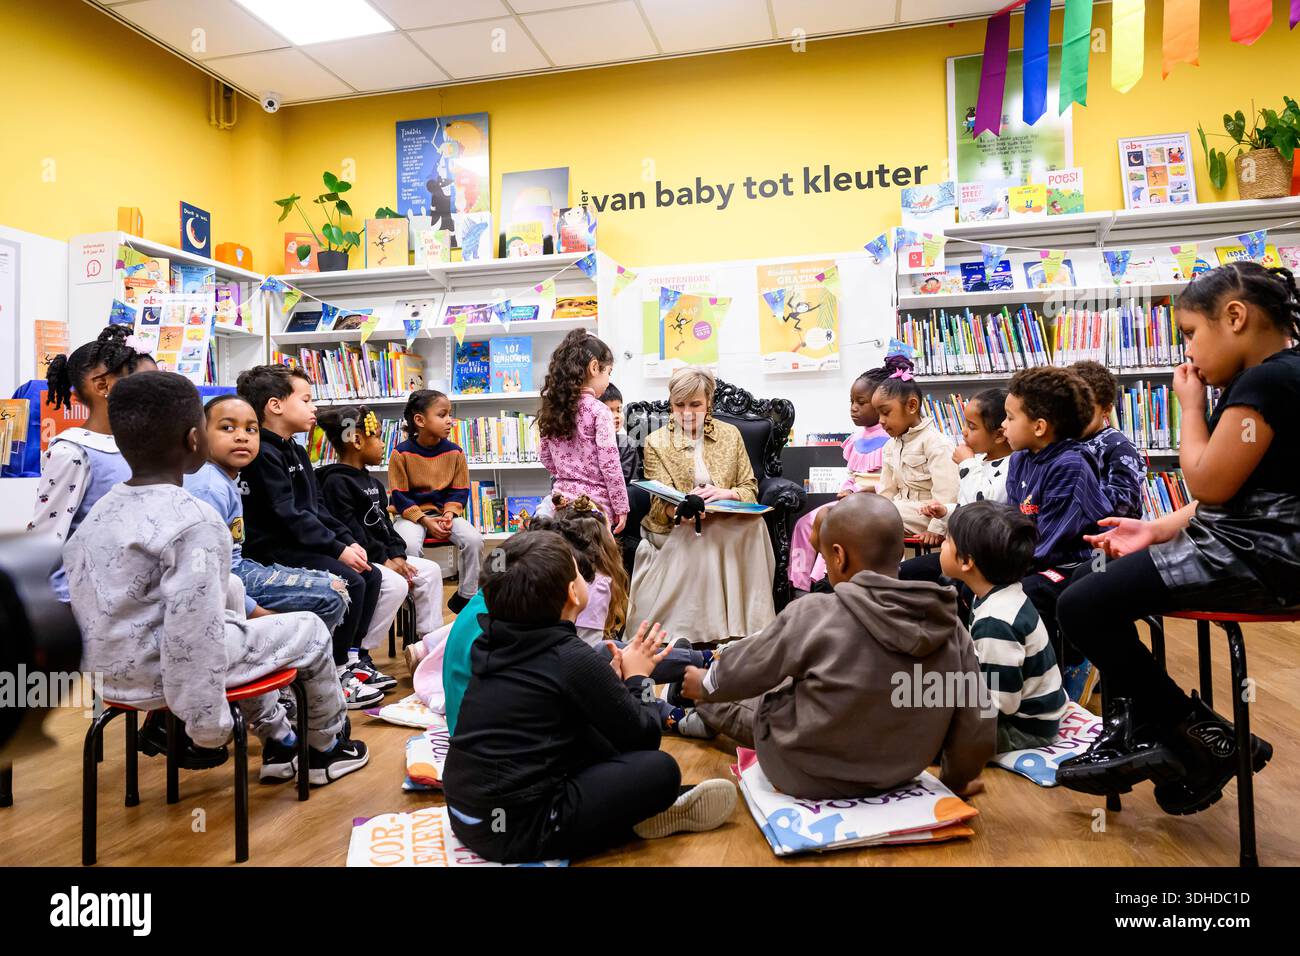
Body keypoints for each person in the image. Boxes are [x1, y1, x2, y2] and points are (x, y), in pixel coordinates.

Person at [1056, 263, 1297, 814]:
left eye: (1190, 332)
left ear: (1234, 317)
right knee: (1091, 584)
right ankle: (1188, 737)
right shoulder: (1284, 375)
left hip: (1261, 560)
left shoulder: (1266, 381)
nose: (1187, 350)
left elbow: (1209, 483)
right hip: (1261, 549)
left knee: (1084, 602)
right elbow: (1252, 492)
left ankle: (1199, 737)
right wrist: (1158, 527)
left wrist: (1190, 409)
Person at [63, 371, 369, 785]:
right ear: (196, 440)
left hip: (111, 675)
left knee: (234, 599)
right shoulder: (196, 521)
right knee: (311, 628)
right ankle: (325, 750)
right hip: (170, 675)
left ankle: (280, 741)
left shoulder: (96, 514)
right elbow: (195, 635)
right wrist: (208, 727)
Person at [442, 531, 737, 863]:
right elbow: (644, 739)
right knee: (661, 770)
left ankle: (627, 811)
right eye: (578, 573)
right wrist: (639, 677)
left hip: (465, 812)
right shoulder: (570, 657)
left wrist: (608, 686)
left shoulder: (491, 641)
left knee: (596, 731)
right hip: (515, 832)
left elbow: (541, 703)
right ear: (573, 592)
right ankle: (637, 817)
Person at [679, 492, 995, 798]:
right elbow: (976, 720)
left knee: (726, 693)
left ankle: (683, 702)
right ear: (900, 553)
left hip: (803, 772)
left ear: (839, 556)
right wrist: (957, 778)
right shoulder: (949, 626)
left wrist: (706, 684)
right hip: (900, 772)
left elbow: (750, 669)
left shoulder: (812, 612)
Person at [236, 364, 385, 709]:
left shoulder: (297, 450)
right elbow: (289, 515)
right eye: (305, 399)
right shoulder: (261, 454)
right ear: (275, 405)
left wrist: (347, 542)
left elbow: (317, 507)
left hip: (303, 544)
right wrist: (337, 549)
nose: (314, 407)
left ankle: (351, 657)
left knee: (370, 574)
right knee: (352, 581)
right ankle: (335, 670)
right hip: (275, 551)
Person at [627, 366, 775, 646]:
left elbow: (749, 487)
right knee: (704, 529)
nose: (687, 412)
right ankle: (698, 633)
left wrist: (727, 493)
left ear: (709, 402)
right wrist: (681, 510)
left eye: (695, 404)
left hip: (727, 517)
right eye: (679, 405)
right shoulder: (655, 441)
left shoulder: (730, 435)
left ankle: (753, 627)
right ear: (671, 405)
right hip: (678, 524)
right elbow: (658, 502)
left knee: (755, 526)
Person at [1002, 366, 1114, 700]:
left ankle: (1059, 674)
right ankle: (1001, 678)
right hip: (1038, 556)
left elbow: (1050, 544)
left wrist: (1000, 567)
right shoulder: (1020, 459)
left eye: (1009, 417)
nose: (1002, 425)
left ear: (1039, 426)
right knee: (967, 584)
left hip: (1078, 563)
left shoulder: (1070, 465)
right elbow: (1012, 520)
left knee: (1031, 591)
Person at [316, 403, 445, 683]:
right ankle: (359, 650)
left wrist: (397, 553)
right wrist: (384, 559)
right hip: (361, 558)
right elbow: (350, 531)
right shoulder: (336, 482)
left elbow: (385, 526)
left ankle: (430, 646)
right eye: (377, 437)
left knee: (431, 572)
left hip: (384, 556)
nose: (384, 443)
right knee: (394, 584)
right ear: (358, 440)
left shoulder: (371, 481)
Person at [28, 325, 156, 603]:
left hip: (137, 593)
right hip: (92, 602)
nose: (159, 395)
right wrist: (64, 607)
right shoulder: (74, 452)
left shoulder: (142, 445)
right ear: (103, 386)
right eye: (148, 384)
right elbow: (46, 539)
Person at [939, 500, 1068, 753]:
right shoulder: (995, 594)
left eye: (946, 540)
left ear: (966, 561)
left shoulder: (995, 623)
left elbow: (1001, 705)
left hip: (1024, 728)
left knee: (925, 736)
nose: (942, 546)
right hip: (1016, 710)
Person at [899, 387, 1013, 603]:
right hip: (960, 550)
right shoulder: (979, 461)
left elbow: (984, 503)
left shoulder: (1010, 466)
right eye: (964, 424)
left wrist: (967, 464)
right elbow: (966, 506)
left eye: (972, 426)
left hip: (984, 557)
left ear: (999, 435)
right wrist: (944, 511)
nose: (964, 432)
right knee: (905, 572)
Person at [788, 361, 893, 594]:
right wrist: (847, 489)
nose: (854, 408)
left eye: (861, 403)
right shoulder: (856, 440)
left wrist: (855, 494)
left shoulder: (890, 438)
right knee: (804, 524)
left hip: (873, 502)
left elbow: (886, 480)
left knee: (829, 524)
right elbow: (852, 473)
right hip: (849, 499)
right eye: (852, 402)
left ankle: (821, 581)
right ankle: (799, 584)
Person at [388, 389, 481, 615]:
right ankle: (416, 598)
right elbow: (399, 495)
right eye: (442, 415)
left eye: (450, 414)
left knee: (474, 539)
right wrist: (424, 520)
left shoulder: (455, 453)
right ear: (419, 420)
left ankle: (466, 597)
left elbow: (459, 491)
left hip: (444, 515)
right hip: (410, 515)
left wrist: (449, 514)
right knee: (408, 545)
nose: (450, 420)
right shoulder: (401, 454)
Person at [536, 330, 629, 529]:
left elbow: (544, 455)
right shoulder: (599, 410)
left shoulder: (553, 407)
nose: (608, 379)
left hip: (560, 502)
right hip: (594, 505)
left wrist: (566, 474)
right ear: (595, 367)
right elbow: (610, 465)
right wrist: (621, 507)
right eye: (608, 372)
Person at [872, 353, 960, 545]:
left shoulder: (936, 443)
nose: (881, 421)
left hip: (926, 515)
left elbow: (948, 494)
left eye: (886, 412)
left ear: (912, 405)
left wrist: (937, 529)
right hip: (898, 509)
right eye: (878, 414)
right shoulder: (890, 446)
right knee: (854, 513)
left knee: (866, 520)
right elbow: (886, 492)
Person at [1072, 360, 1145, 519]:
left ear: (1106, 409)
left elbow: (1125, 503)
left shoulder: (1118, 446)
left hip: (1107, 535)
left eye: (1085, 409)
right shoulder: (1062, 441)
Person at [600, 382, 638, 482]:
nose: (616, 416)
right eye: (609, 411)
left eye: (619, 410)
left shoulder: (626, 444)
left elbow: (623, 480)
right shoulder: (586, 443)